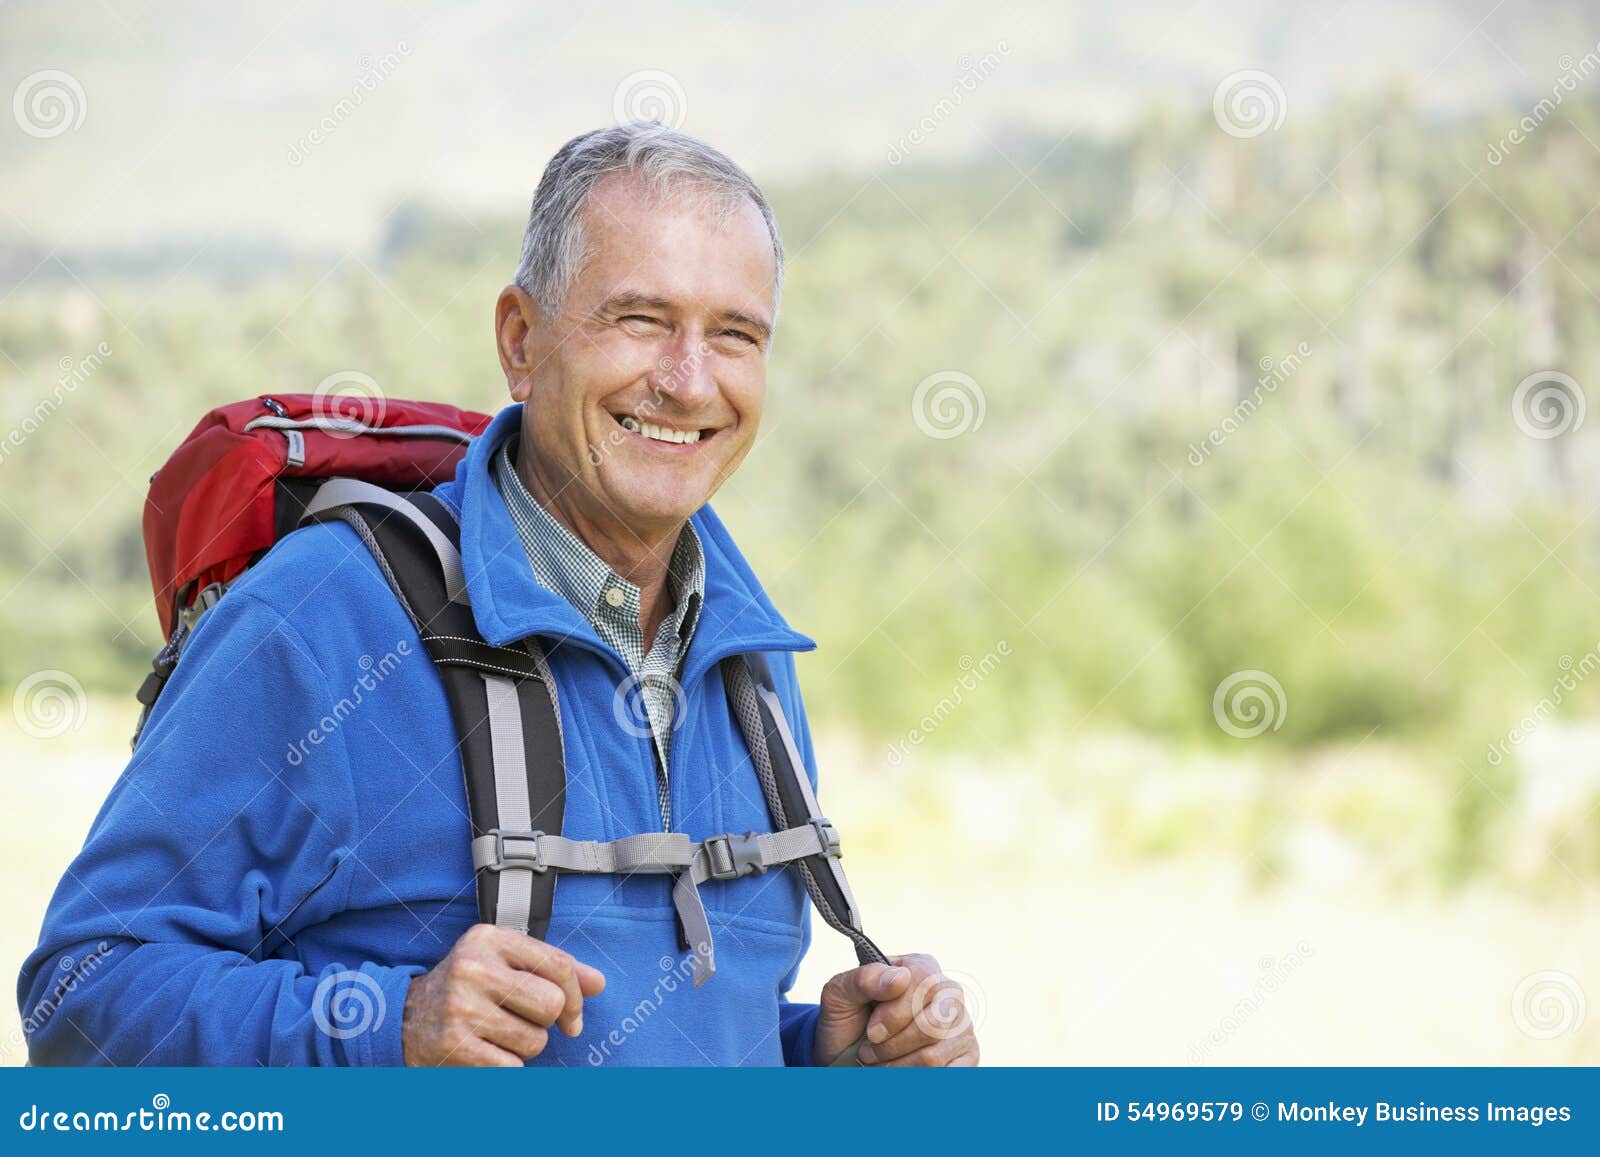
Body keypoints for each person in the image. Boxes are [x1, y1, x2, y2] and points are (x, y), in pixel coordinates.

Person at [18, 122, 979, 1067]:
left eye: (735, 335)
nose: (690, 382)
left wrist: (822, 1060)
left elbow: (665, 1041)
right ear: (520, 340)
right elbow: (78, 992)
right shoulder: (322, 620)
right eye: (641, 319)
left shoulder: (748, 654)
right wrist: (387, 1026)